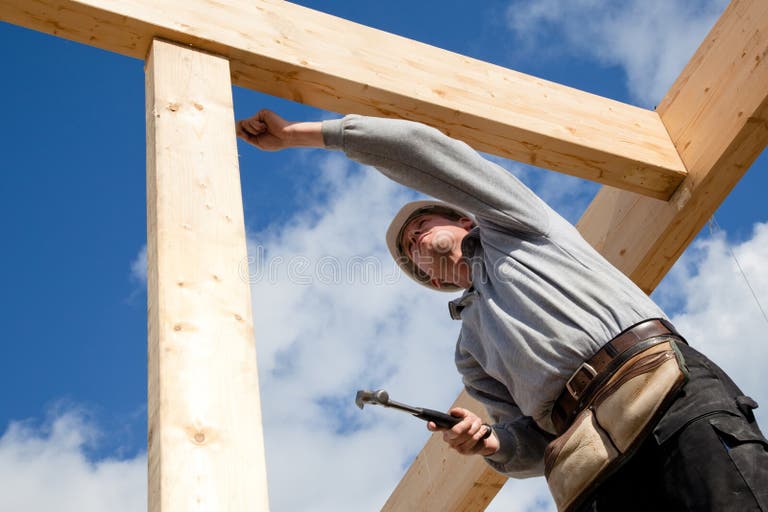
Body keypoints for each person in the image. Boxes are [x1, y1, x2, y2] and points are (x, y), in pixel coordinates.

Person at [237, 110, 768, 510]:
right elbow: (531, 444)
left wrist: (300, 136)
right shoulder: (471, 349)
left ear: (465, 218)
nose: (415, 245)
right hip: (597, 468)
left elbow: (418, 148)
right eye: (409, 254)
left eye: (421, 228)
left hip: (666, 395)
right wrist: (490, 441)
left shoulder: (515, 226)